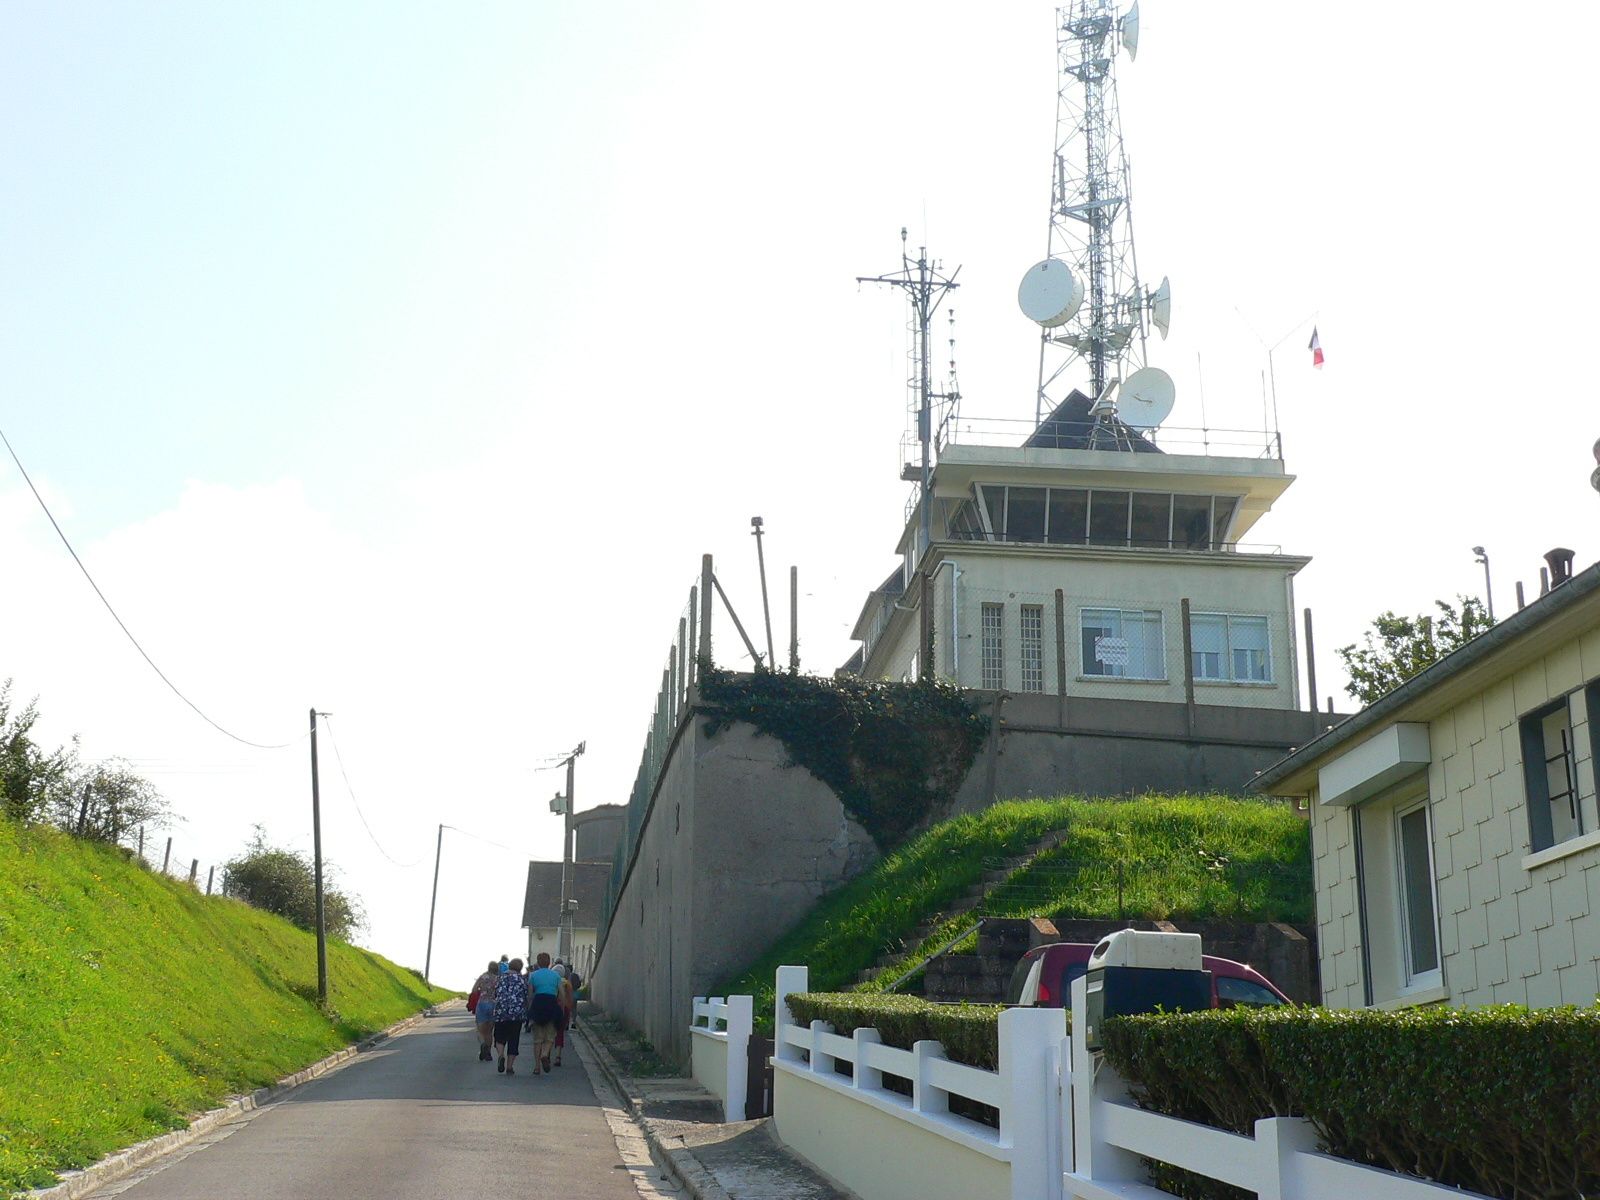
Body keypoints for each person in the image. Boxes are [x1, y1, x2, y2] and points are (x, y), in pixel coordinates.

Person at [525, 952, 564, 1074]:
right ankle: (545, 1054)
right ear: (549, 963)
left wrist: (530, 1010)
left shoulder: (533, 975)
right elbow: (562, 994)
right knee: (550, 1036)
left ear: (537, 962)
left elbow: (530, 994)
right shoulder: (556, 976)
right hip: (551, 1003)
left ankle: (537, 1067)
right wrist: (561, 1008)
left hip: (538, 1004)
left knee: (537, 1039)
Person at [492, 957, 529, 1075]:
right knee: (514, 1039)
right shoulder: (522, 979)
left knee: (499, 1037)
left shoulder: (500, 978)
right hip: (516, 1014)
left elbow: (495, 993)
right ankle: (509, 1067)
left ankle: (501, 1055)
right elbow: (526, 994)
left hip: (501, 1012)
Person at [467, 960, 499, 1061]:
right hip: (494, 1005)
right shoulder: (498, 979)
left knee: (480, 1030)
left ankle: (483, 1044)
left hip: (482, 1004)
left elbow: (474, 990)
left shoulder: (483, 976)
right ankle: (488, 1053)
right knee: (489, 1031)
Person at [551, 961, 575, 1067]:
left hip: (553, 1008)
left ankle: (546, 1053)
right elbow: (570, 999)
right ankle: (558, 1056)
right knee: (560, 1032)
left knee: (549, 1032)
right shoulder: (567, 983)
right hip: (564, 1009)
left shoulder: (552, 982)